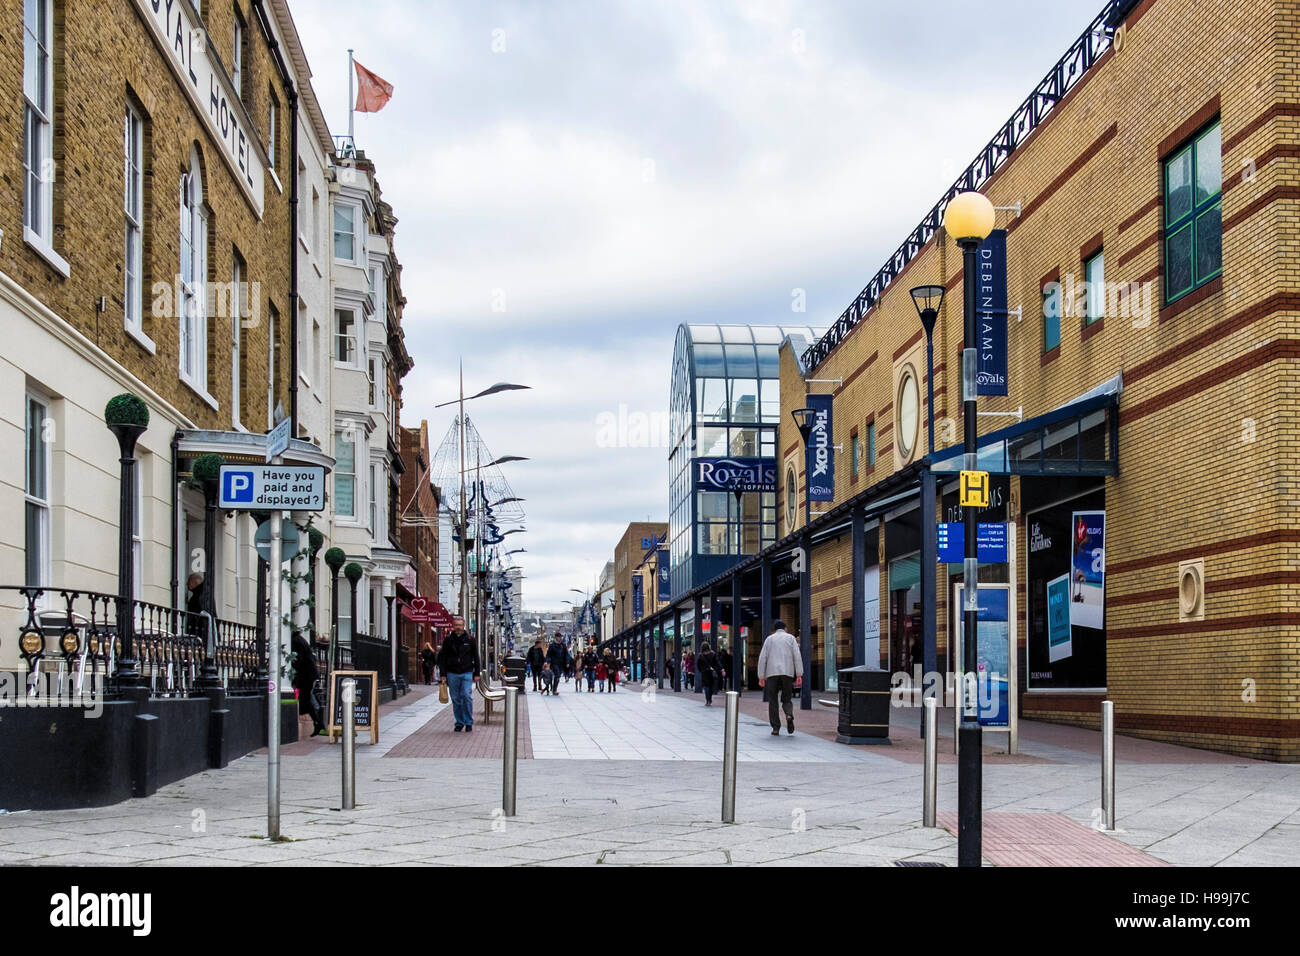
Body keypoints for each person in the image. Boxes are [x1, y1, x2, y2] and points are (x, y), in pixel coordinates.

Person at [757, 619, 803, 736]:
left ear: (774, 629)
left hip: (772, 674)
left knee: (773, 700)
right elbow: (797, 656)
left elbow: (763, 658)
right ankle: (788, 714)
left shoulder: (769, 639)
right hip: (787, 673)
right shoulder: (791, 638)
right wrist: (799, 674)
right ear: (785, 628)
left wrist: (761, 676)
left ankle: (775, 728)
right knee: (787, 698)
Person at [437, 616, 480, 732]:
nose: (458, 627)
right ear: (453, 626)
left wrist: (477, 673)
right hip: (452, 673)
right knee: (456, 698)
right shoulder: (448, 640)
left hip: (466, 672)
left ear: (464, 625)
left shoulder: (470, 639)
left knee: (466, 696)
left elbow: (476, 657)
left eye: (460, 625)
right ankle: (459, 722)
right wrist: (443, 674)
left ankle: (469, 722)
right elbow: (443, 658)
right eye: (456, 625)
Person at [290, 631, 325, 736]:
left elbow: (298, 660)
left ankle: (318, 722)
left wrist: (295, 676)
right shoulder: (300, 639)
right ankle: (318, 723)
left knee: (306, 699)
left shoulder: (296, 641)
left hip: (306, 675)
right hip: (308, 674)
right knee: (307, 699)